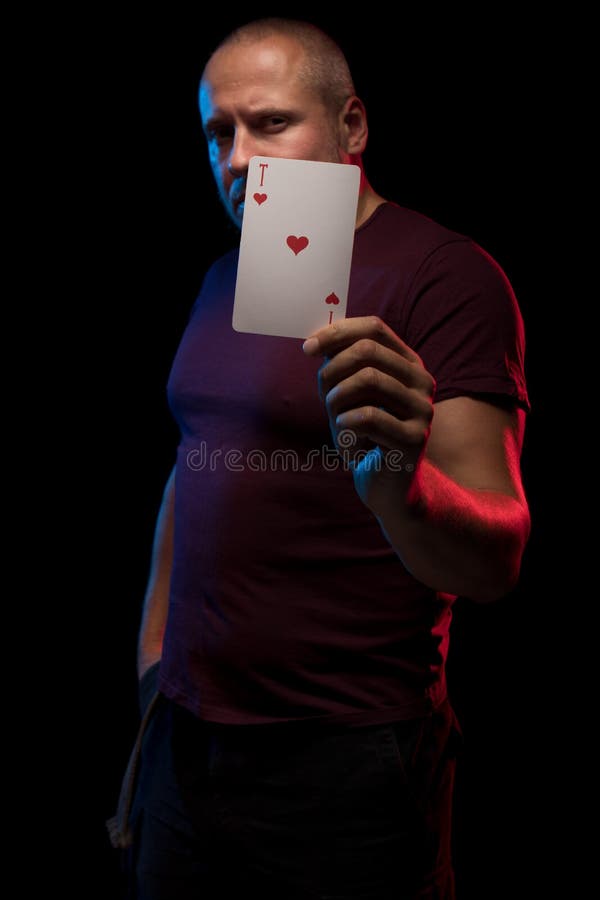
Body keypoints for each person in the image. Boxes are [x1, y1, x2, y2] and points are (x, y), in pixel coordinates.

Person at [112, 16, 531, 900]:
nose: (236, 158)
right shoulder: (227, 274)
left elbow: (497, 558)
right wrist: (157, 664)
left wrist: (401, 487)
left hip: (345, 760)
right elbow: (197, 463)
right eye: (217, 133)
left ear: (351, 128)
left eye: (270, 123)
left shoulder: (442, 275)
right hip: (184, 742)